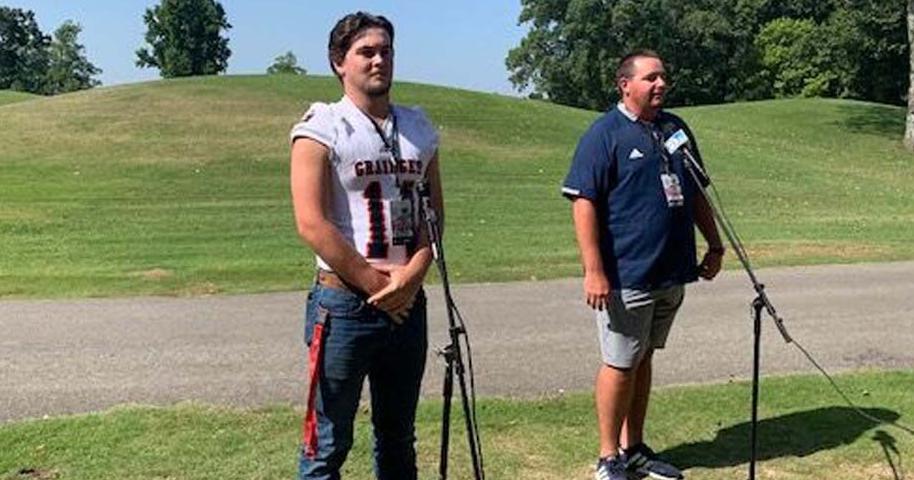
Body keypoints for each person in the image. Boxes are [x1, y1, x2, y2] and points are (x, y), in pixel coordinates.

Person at [289, 11, 442, 480]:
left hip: (407, 302)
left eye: (386, 51)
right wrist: (378, 286)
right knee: (326, 444)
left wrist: (412, 276)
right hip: (344, 304)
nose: (379, 60)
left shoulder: (418, 127)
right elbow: (311, 223)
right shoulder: (322, 126)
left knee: (398, 438)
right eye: (366, 52)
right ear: (339, 62)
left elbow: (433, 216)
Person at [561, 50, 724, 480]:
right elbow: (583, 201)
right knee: (620, 363)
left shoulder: (674, 128)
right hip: (626, 274)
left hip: (671, 271)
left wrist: (714, 245)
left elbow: (695, 191)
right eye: (651, 78)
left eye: (663, 77)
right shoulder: (604, 134)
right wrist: (594, 270)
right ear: (625, 85)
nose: (661, 84)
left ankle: (633, 449)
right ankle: (608, 457)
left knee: (643, 358)